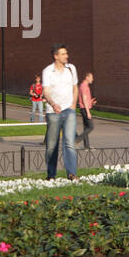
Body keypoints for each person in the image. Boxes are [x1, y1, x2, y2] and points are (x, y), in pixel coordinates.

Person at [42, 44, 79, 181]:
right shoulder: (47, 71)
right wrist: (52, 103)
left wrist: (73, 105)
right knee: (52, 145)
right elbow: (45, 91)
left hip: (69, 110)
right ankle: (51, 175)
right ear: (56, 56)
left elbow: (75, 87)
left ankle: (71, 173)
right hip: (53, 112)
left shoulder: (71, 68)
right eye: (63, 54)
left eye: (66, 53)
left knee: (69, 142)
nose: (66, 56)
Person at [77, 71, 96, 150]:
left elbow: (85, 99)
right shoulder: (84, 86)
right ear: (87, 77)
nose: (92, 79)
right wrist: (88, 112)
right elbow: (84, 100)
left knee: (86, 127)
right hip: (85, 109)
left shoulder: (84, 86)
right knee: (91, 127)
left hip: (85, 108)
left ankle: (86, 146)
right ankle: (77, 139)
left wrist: (91, 102)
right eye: (91, 77)